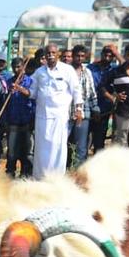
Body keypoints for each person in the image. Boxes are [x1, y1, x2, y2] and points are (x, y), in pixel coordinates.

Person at [29, 44, 82, 178]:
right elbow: (32, 93)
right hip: (42, 117)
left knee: (58, 148)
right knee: (41, 149)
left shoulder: (67, 70)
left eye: (53, 52)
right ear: (45, 55)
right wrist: (21, 89)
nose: (51, 55)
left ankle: (56, 178)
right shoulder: (39, 72)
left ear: (58, 54)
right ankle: (40, 178)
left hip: (60, 117)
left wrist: (79, 109)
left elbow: (76, 90)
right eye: (48, 53)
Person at [3, 55, 36, 177]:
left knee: (27, 152)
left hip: (27, 122)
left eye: (19, 67)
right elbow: (4, 103)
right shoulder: (8, 83)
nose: (17, 69)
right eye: (14, 67)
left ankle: (25, 174)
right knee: (12, 152)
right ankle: (10, 173)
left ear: (24, 67)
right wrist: (5, 121)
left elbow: (34, 101)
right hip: (13, 122)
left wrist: (20, 89)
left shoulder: (31, 81)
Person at [68, 45, 98, 167]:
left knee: (81, 146)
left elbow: (92, 92)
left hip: (83, 112)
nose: (79, 58)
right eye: (77, 56)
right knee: (64, 144)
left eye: (82, 56)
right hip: (67, 112)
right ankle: (65, 170)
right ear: (73, 56)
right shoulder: (66, 70)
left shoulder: (87, 72)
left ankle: (78, 172)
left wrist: (95, 108)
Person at [86, 44, 119, 154]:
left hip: (105, 110)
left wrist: (117, 53)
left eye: (111, 55)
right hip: (89, 109)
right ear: (101, 54)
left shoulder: (115, 70)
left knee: (99, 143)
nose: (107, 57)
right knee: (84, 142)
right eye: (106, 54)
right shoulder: (90, 68)